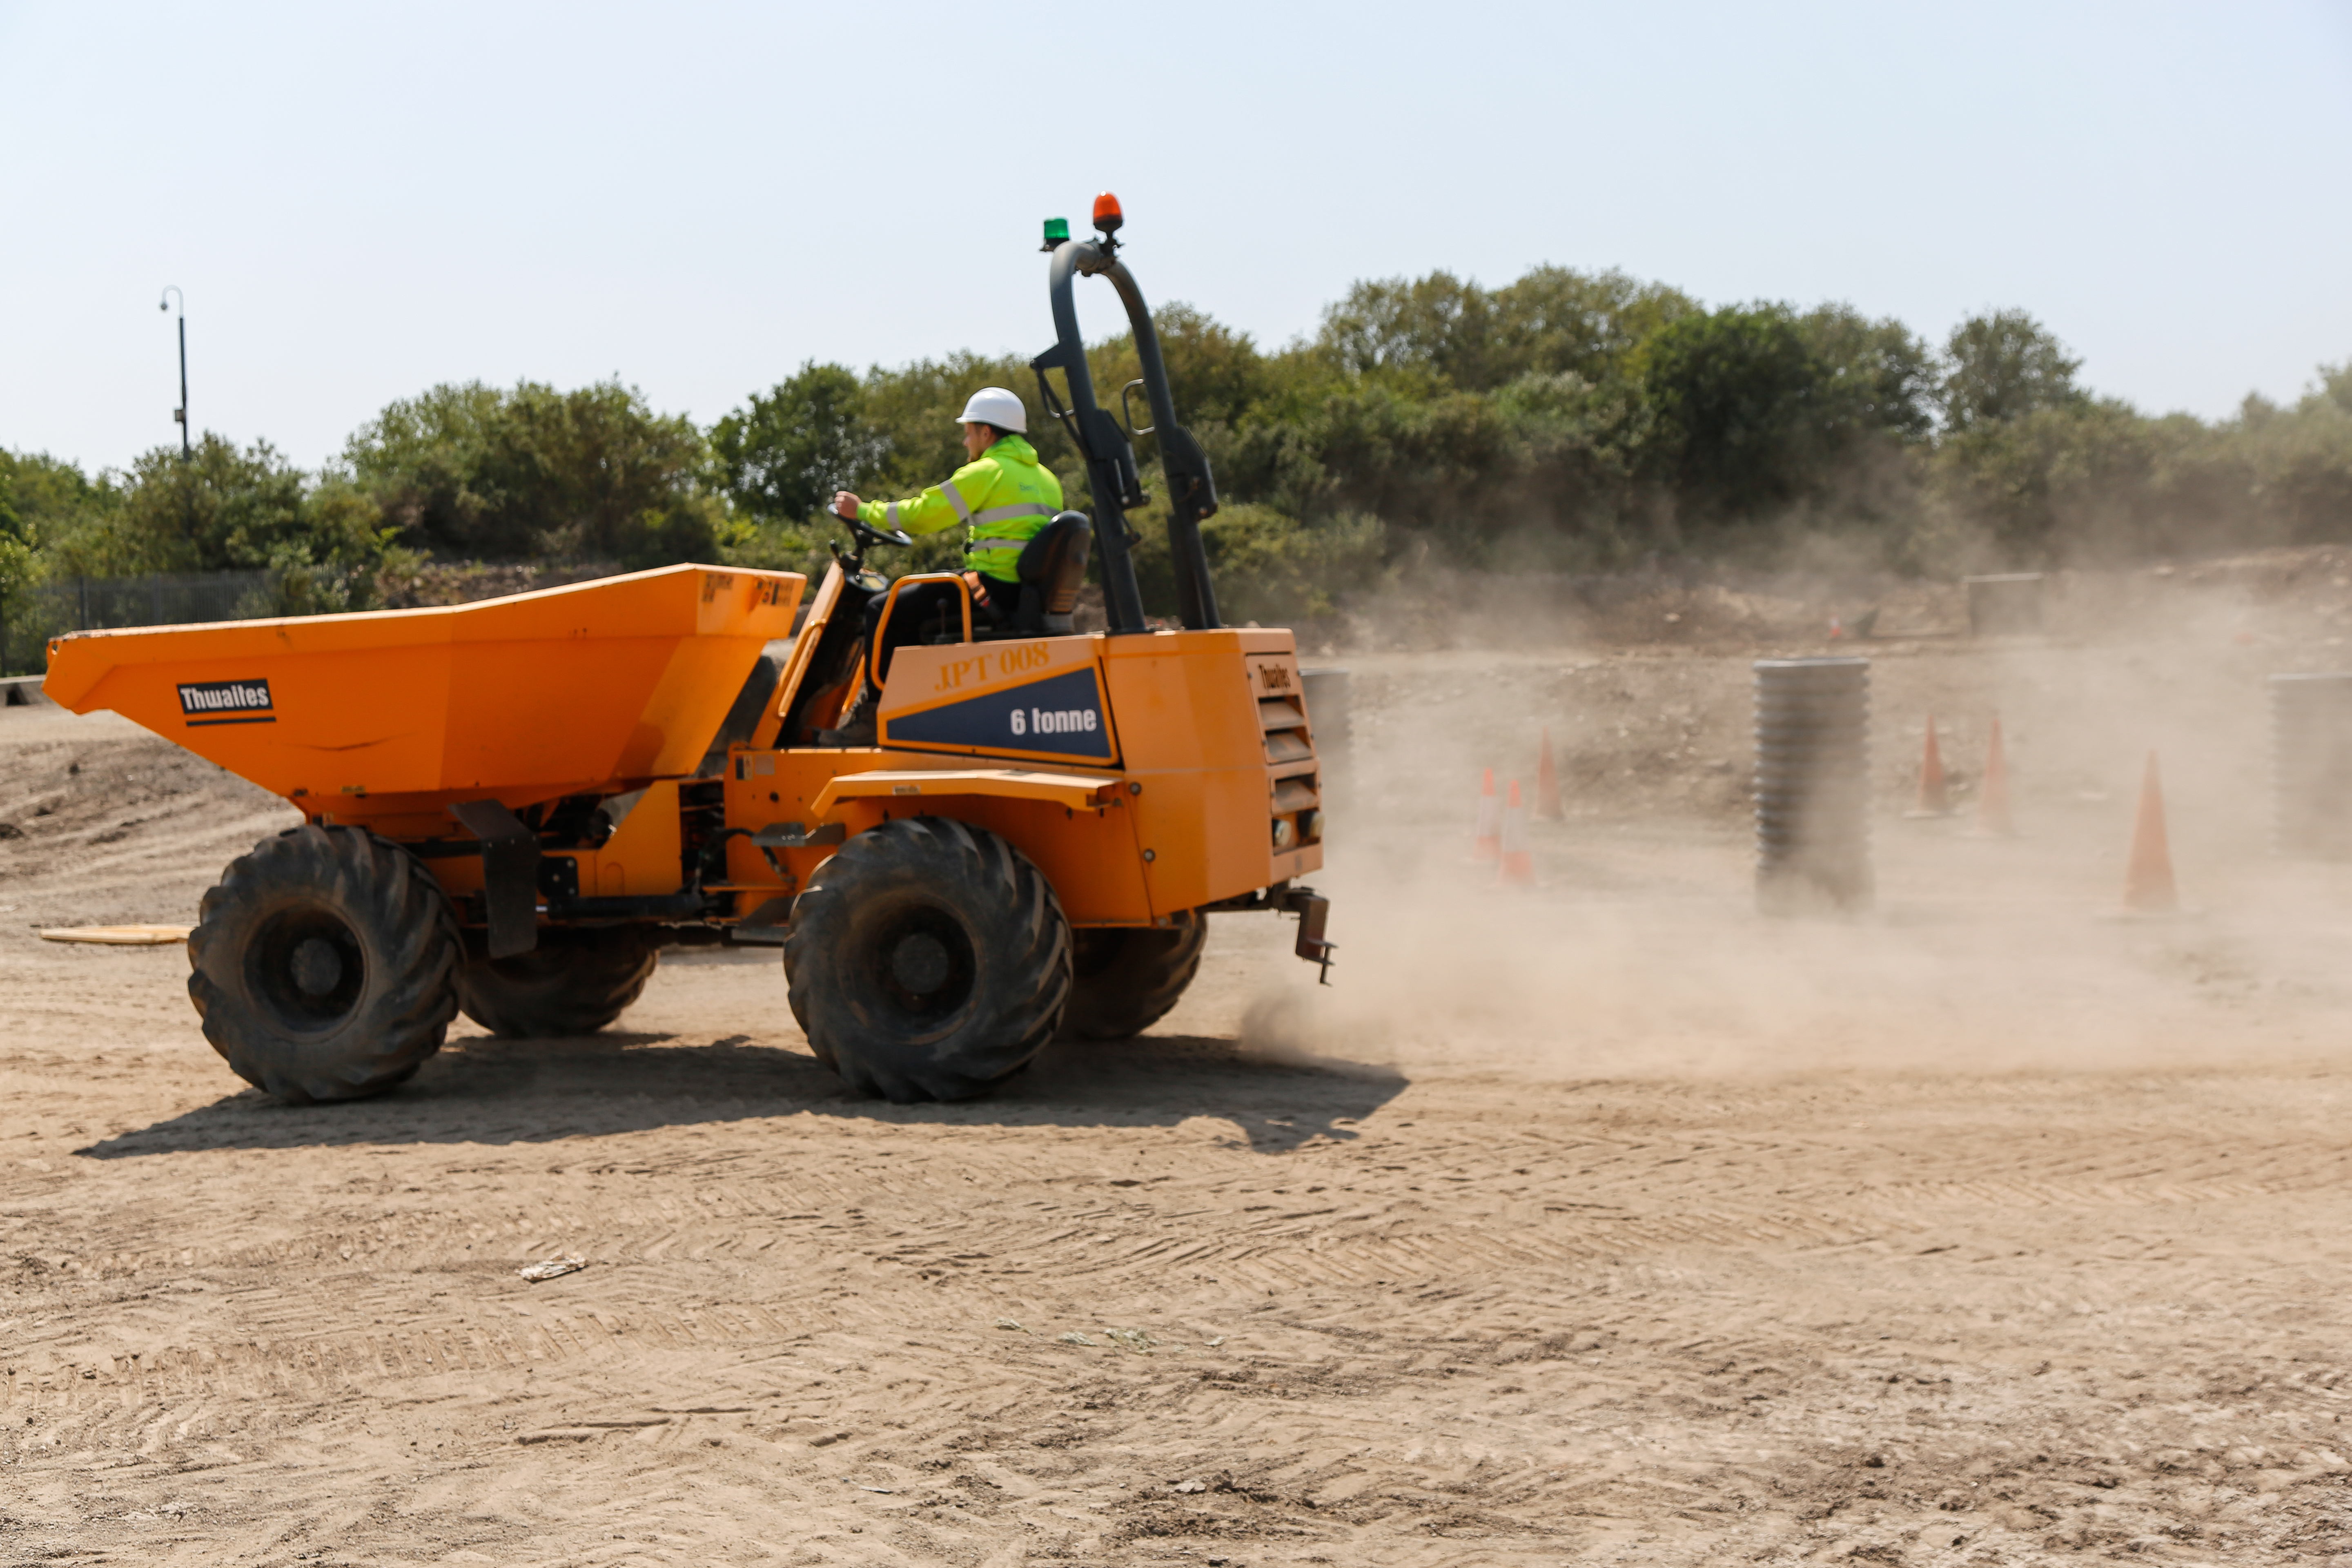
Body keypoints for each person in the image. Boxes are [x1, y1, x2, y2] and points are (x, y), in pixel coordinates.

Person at [820, 387, 1064, 744]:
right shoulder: (1047, 479)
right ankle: (910, 705)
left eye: (968, 432)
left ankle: (875, 716)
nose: (966, 441)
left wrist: (864, 511)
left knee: (881, 609)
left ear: (986, 432)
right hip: (1025, 593)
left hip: (992, 590)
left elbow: (925, 514)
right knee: (914, 603)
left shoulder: (987, 472)